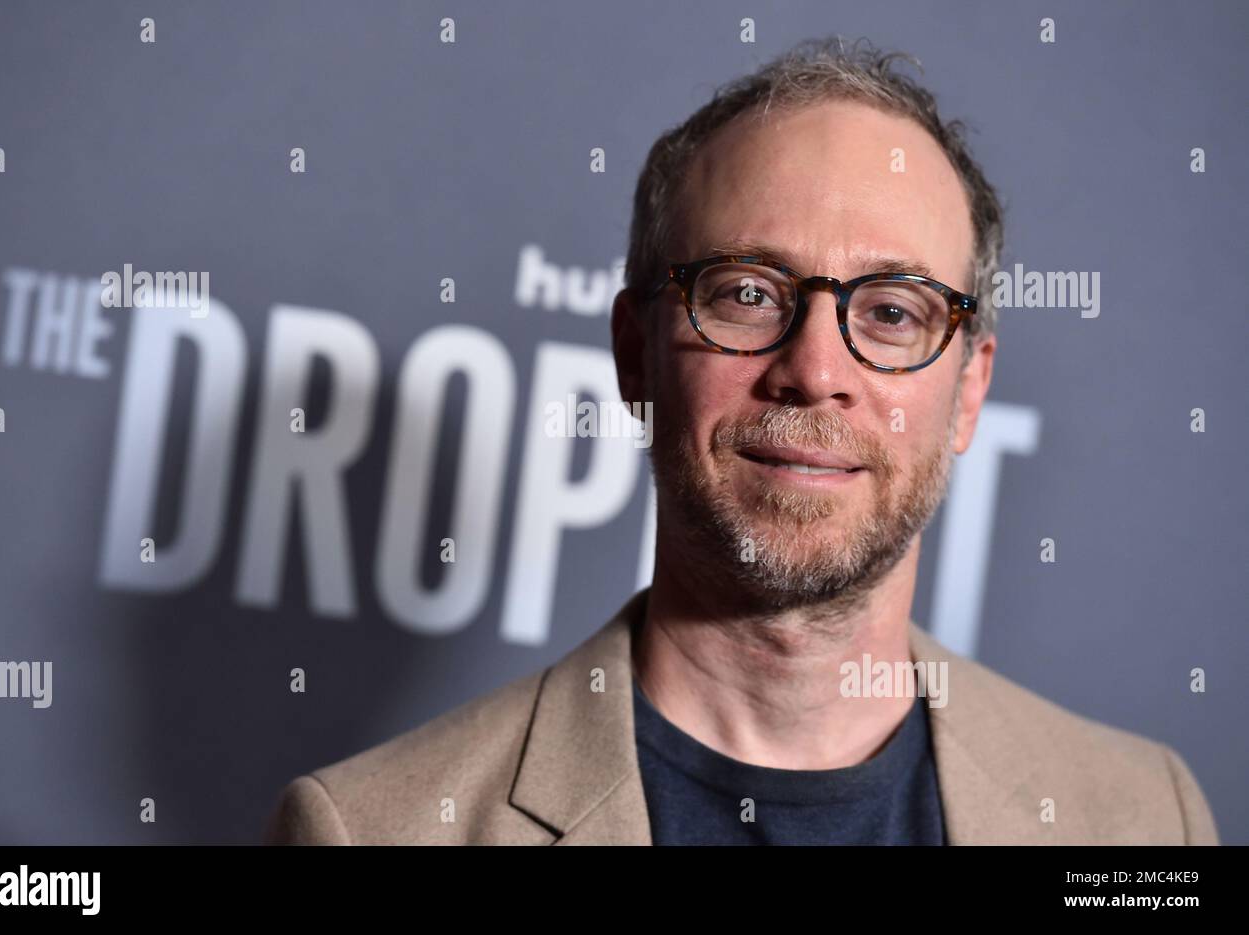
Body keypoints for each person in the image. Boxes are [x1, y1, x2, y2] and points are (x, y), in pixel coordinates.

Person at [265, 36, 1217, 845]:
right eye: (748, 293)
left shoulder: (1140, 819)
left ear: (968, 390)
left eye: (892, 311)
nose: (815, 368)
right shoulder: (372, 833)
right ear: (635, 357)